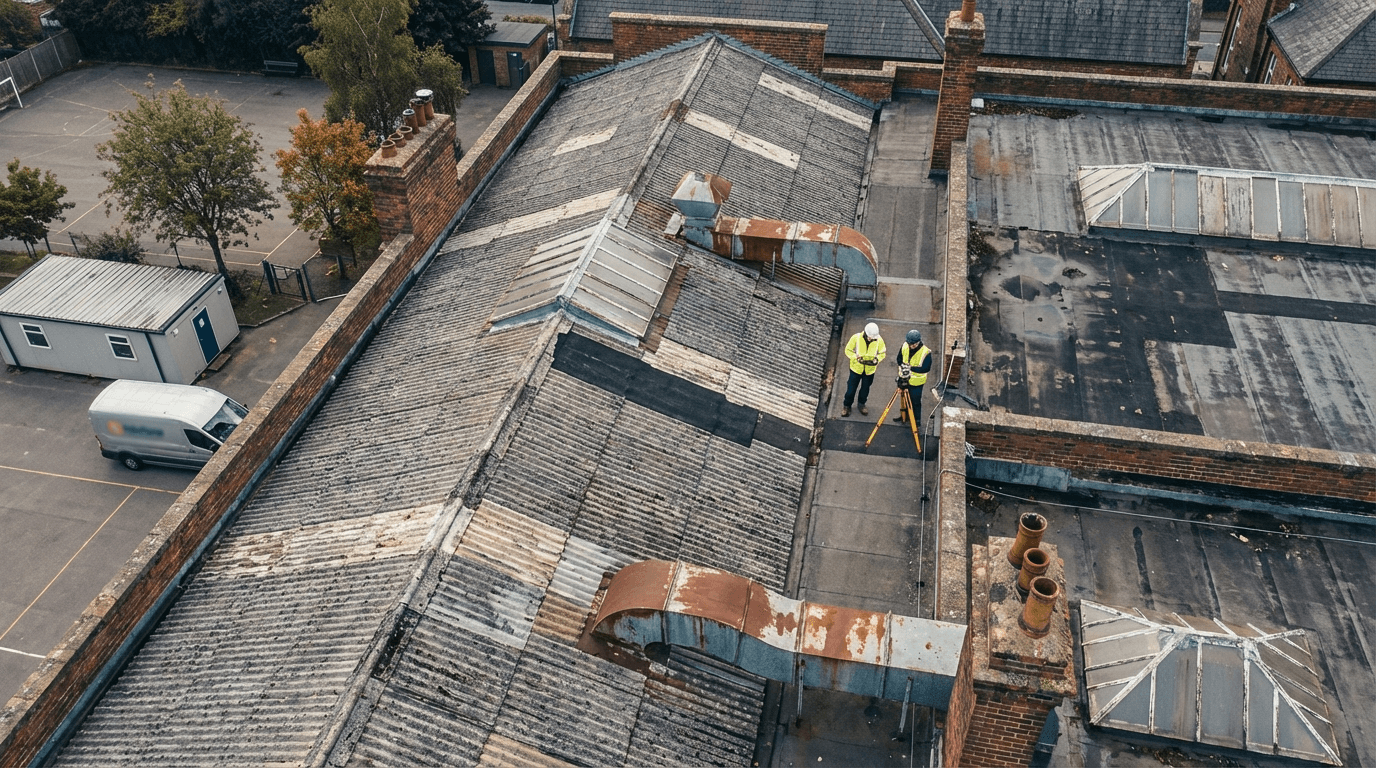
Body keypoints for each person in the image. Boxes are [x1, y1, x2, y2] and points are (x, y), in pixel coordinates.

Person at [842, 322, 885, 417]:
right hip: (856, 369)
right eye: (870, 337)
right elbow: (847, 350)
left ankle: (861, 404)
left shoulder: (878, 340)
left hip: (869, 370)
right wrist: (855, 357)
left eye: (873, 338)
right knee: (851, 389)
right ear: (866, 333)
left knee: (865, 388)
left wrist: (877, 359)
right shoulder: (856, 338)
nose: (872, 339)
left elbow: (882, 353)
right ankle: (847, 405)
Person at [894, 329, 932, 424]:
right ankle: (904, 416)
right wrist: (903, 366)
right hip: (904, 378)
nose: (911, 346)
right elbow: (899, 358)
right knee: (903, 399)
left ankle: (916, 420)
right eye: (910, 344)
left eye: (913, 344)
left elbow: (926, 368)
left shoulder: (926, 352)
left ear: (918, 342)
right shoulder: (905, 346)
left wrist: (910, 368)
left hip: (916, 382)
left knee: (915, 402)